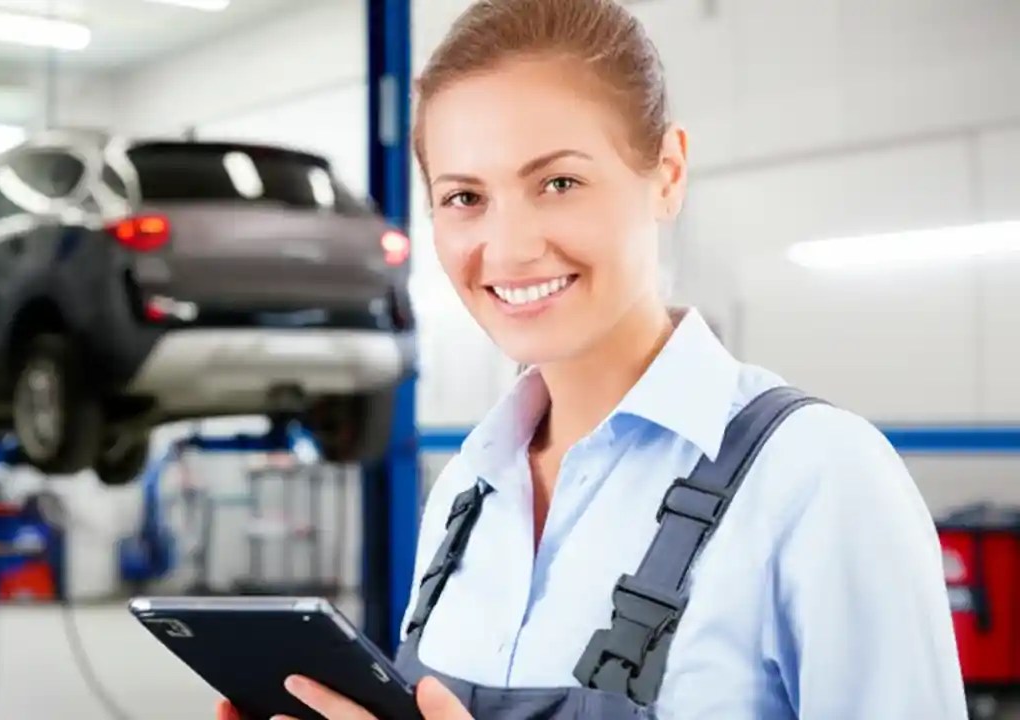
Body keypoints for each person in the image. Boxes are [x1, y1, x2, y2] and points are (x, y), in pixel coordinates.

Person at [218, 0, 969, 717]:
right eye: (464, 198)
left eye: (559, 183)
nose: (509, 248)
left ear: (668, 172)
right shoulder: (464, 494)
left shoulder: (819, 479)